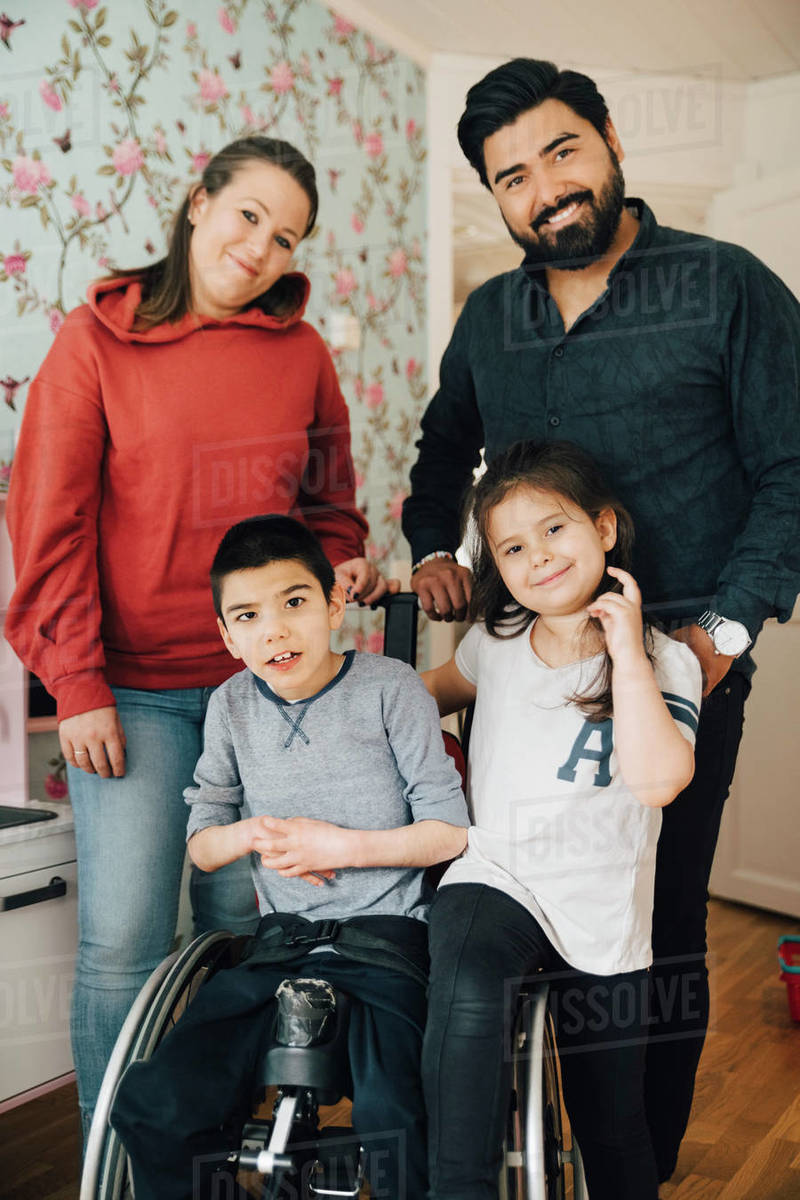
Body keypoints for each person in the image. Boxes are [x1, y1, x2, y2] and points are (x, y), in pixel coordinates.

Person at [402, 58, 800, 1180]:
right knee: (506, 890)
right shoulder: (491, 316)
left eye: (562, 151)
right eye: (512, 176)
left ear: (611, 138)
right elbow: (441, 453)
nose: (546, 190)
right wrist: (434, 552)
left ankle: (638, 1165)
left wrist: (722, 636)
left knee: (654, 924)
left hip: (674, 666)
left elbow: (791, 467)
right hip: (517, 663)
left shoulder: (725, 285)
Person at [5, 136, 398, 1139]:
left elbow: (328, 509)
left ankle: (227, 1146)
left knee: (246, 931)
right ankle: (117, 1160)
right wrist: (78, 683)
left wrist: (342, 560)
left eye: (286, 237)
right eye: (248, 215)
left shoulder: (302, 356)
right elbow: (48, 521)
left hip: (267, 694)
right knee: (125, 941)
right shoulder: (96, 342)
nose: (261, 246)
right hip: (130, 696)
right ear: (198, 202)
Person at [108, 514, 469, 1200]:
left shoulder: (391, 688)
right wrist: (252, 833)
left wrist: (340, 846)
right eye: (248, 616)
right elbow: (204, 848)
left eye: (294, 602)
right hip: (279, 950)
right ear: (227, 635)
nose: (273, 630)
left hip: (385, 946)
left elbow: (450, 832)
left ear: (333, 604)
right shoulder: (231, 706)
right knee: (156, 1107)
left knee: (399, 1123)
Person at [420, 439, 702, 1199]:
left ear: (604, 528)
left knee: (612, 1124)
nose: (538, 555)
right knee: (466, 994)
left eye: (554, 529)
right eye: (513, 547)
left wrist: (627, 655)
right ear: (496, 565)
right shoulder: (496, 641)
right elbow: (420, 696)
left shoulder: (665, 660)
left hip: (603, 911)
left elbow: (660, 782)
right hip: (496, 876)